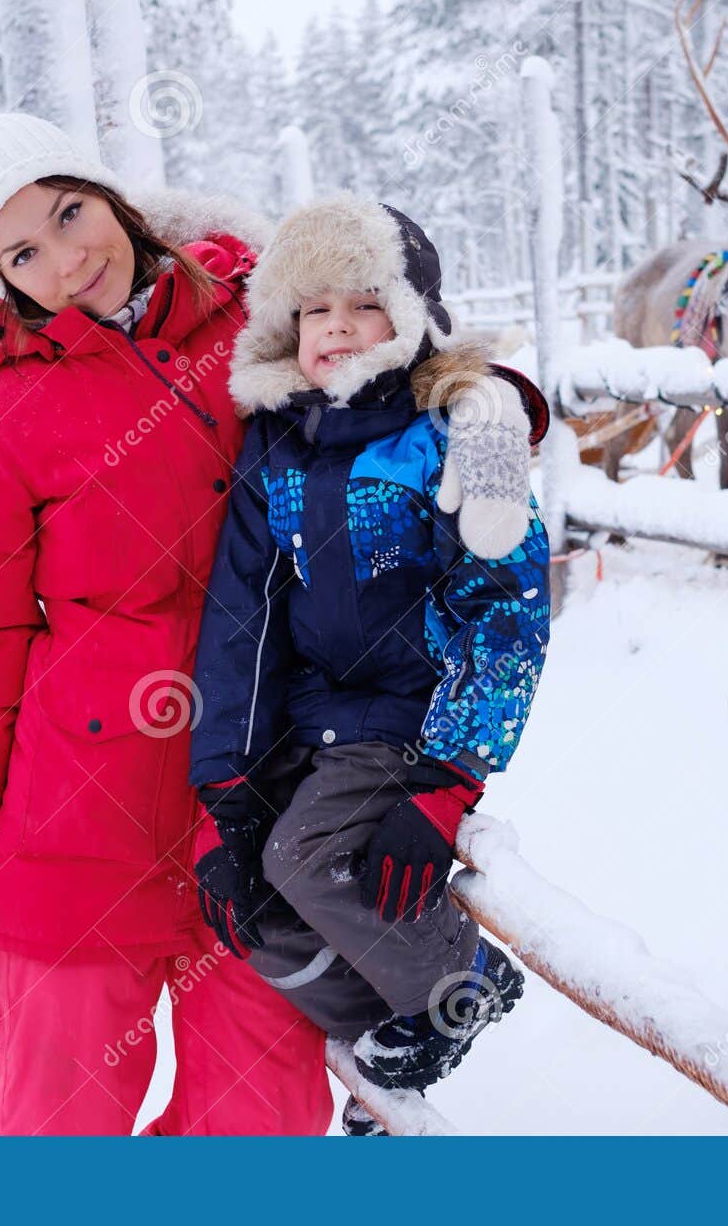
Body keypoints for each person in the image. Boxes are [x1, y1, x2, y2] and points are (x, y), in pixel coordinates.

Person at [0, 103, 549, 1135]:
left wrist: (493, 411)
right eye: (22, 250)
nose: (66, 259)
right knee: (55, 1135)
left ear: (111, 196)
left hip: (258, 822)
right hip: (74, 834)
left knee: (258, 1135)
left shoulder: (255, 322)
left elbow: (411, 374)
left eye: (70, 211)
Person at [187, 196, 551, 1135]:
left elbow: (505, 606)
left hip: (407, 713)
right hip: (311, 715)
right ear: (286, 326)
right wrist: (227, 778)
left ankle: (460, 981)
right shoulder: (277, 444)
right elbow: (244, 611)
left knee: (301, 856)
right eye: (315, 309)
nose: (338, 326)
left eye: (364, 303)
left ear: (412, 315)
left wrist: (449, 773)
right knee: (255, 899)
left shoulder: (446, 431)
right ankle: (393, 1048)